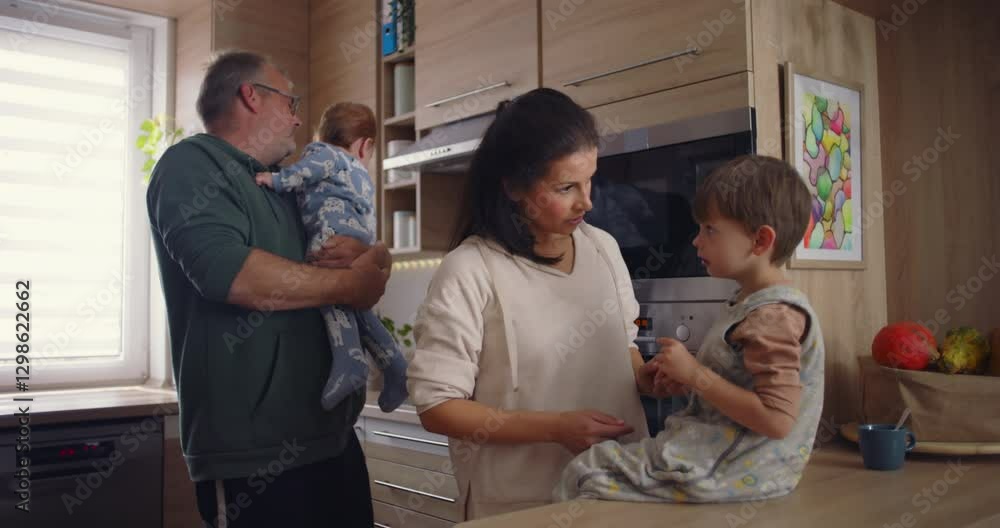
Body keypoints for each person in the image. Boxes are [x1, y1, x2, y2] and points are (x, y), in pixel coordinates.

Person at [146, 50, 390, 527]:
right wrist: (350, 285)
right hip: (252, 459)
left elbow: (360, 244)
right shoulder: (192, 165)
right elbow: (231, 274)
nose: (299, 121)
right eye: (291, 103)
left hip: (333, 441)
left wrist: (375, 258)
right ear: (250, 96)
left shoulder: (285, 185)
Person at [406, 88, 667, 521]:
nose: (587, 202)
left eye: (589, 181)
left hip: (619, 490)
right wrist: (556, 428)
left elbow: (624, 351)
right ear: (512, 187)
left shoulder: (603, 248)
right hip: (518, 505)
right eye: (566, 187)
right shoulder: (471, 269)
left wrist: (650, 379)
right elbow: (437, 407)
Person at [554, 155, 826, 504]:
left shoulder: (773, 316)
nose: (696, 241)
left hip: (738, 470)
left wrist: (697, 374)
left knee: (587, 470)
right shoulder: (751, 303)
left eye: (709, 229)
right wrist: (687, 381)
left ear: (760, 241)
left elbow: (776, 420)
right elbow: (742, 386)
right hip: (736, 463)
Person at [255, 102, 408, 413]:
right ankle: (396, 366)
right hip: (358, 237)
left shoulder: (323, 153)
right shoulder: (360, 173)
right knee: (358, 307)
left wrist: (276, 181)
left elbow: (305, 173)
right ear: (365, 146)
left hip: (331, 229)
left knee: (329, 290)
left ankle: (349, 360)